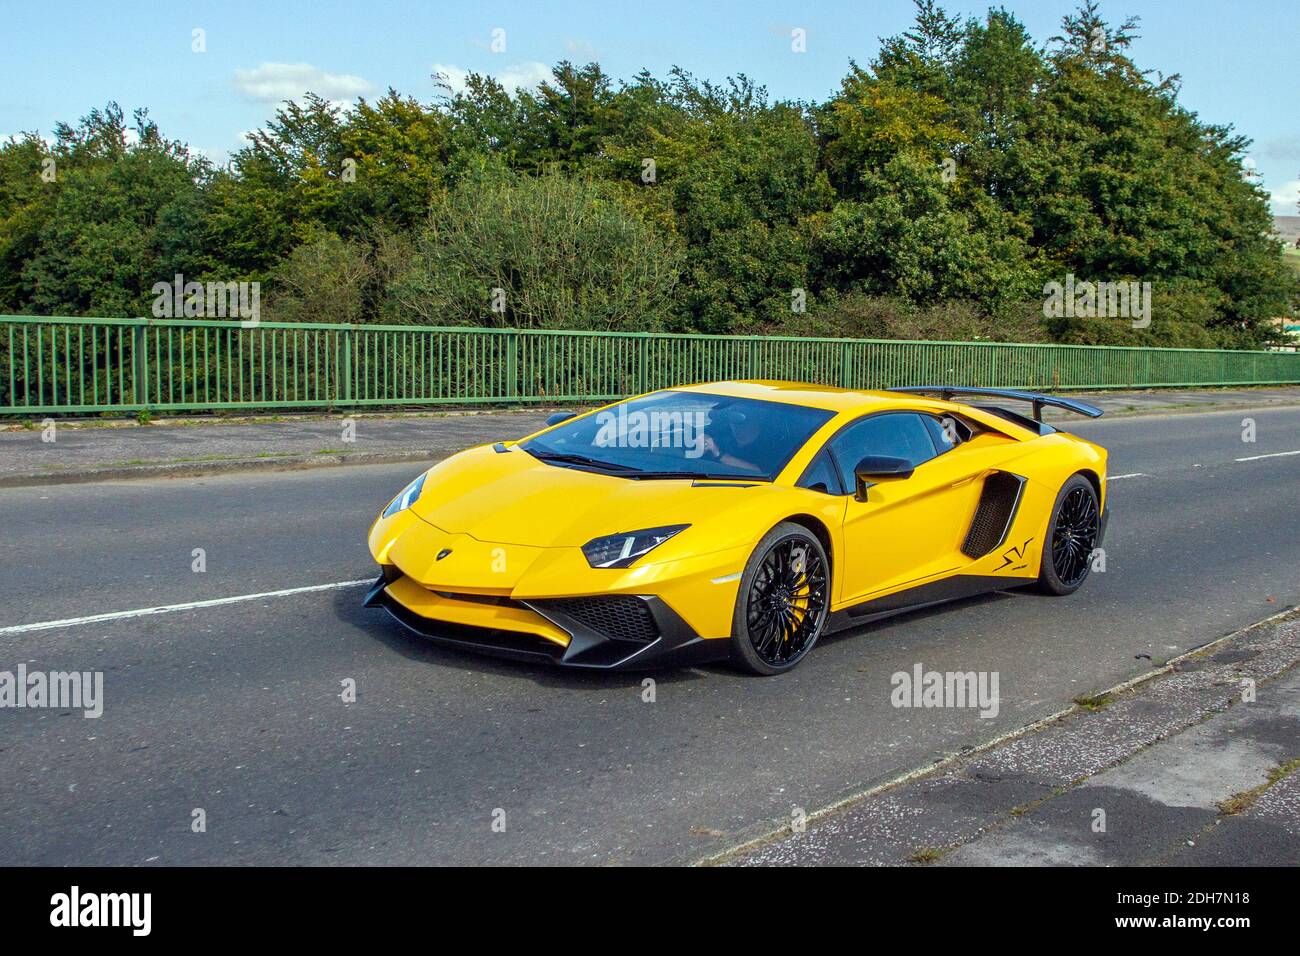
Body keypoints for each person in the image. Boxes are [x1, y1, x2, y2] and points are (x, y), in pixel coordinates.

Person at [698, 405, 764, 473]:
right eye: (732, 420)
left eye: (740, 420)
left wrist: (718, 453)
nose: (735, 425)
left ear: (755, 422)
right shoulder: (722, 439)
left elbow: (758, 471)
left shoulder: (767, 446)